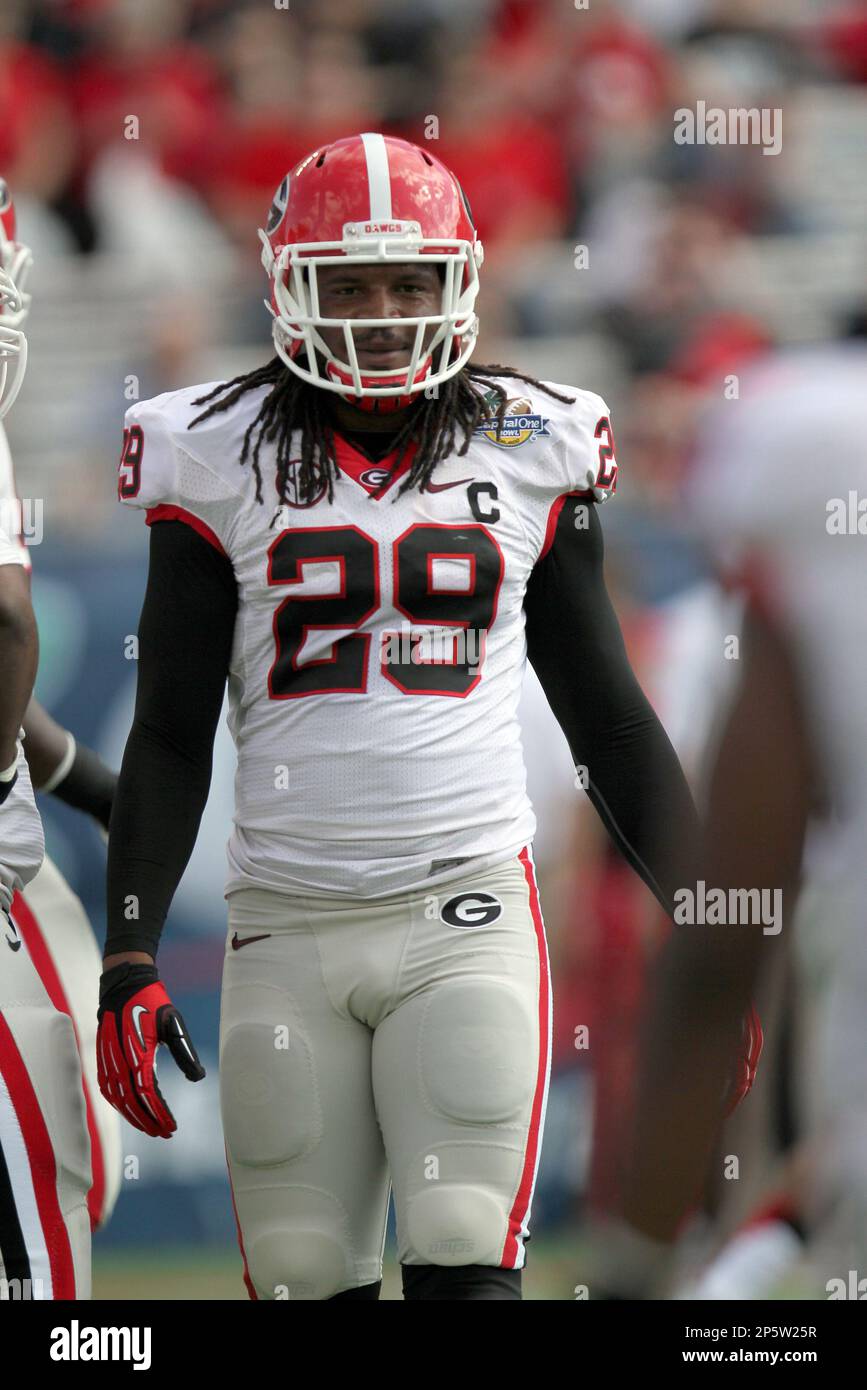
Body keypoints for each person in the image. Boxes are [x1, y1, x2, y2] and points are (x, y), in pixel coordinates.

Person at [99, 132, 699, 1301]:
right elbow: (170, 732)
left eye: (410, 281)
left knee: (467, 1247)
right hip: (286, 922)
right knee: (303, 1273)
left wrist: (706, 923)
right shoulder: (213, 451)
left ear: (458, 282)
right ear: (289, 288)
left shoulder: (533, 440)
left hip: (463, 906)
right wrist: (130, 949)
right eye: (352, 283)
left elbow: (609, 722)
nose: (382, 313)